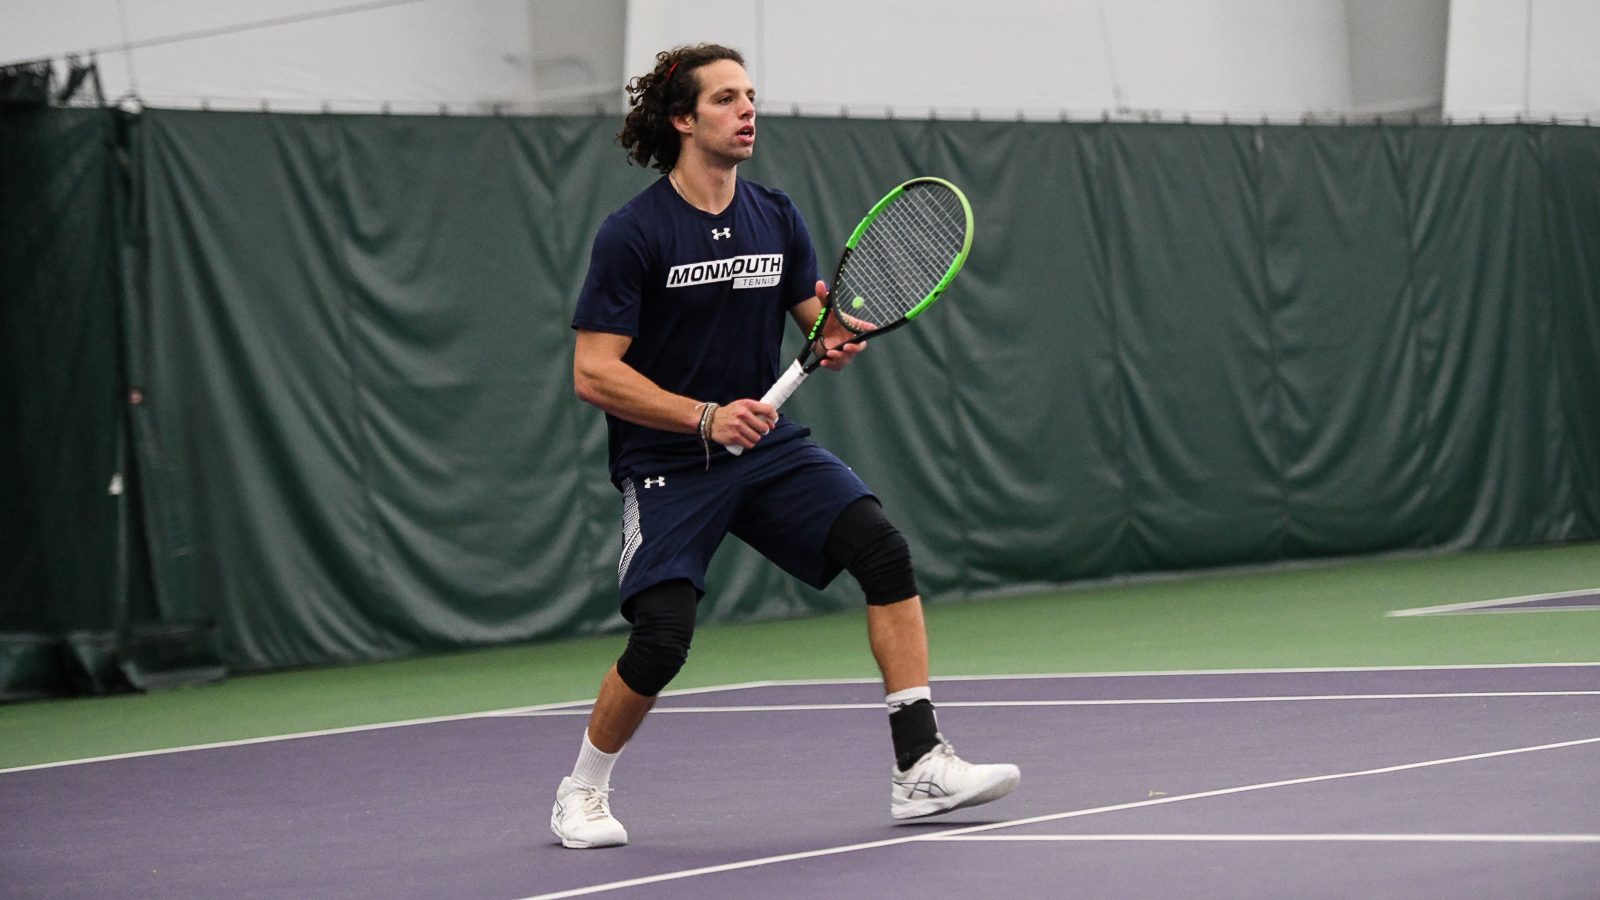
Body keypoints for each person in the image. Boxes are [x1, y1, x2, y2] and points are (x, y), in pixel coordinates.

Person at [553, 43, 1019, 850]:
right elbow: (594, 373)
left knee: (883, 552)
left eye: (750, 95)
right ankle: (581, 791)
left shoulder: (775, 215)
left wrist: (838, 334)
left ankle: (920, 768)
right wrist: (704, 418)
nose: (746, 110)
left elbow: (818, 322)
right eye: (726, 98)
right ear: (682, 120)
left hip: (763, 447)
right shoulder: (634, 235)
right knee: (662, 639)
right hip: (669, 463)